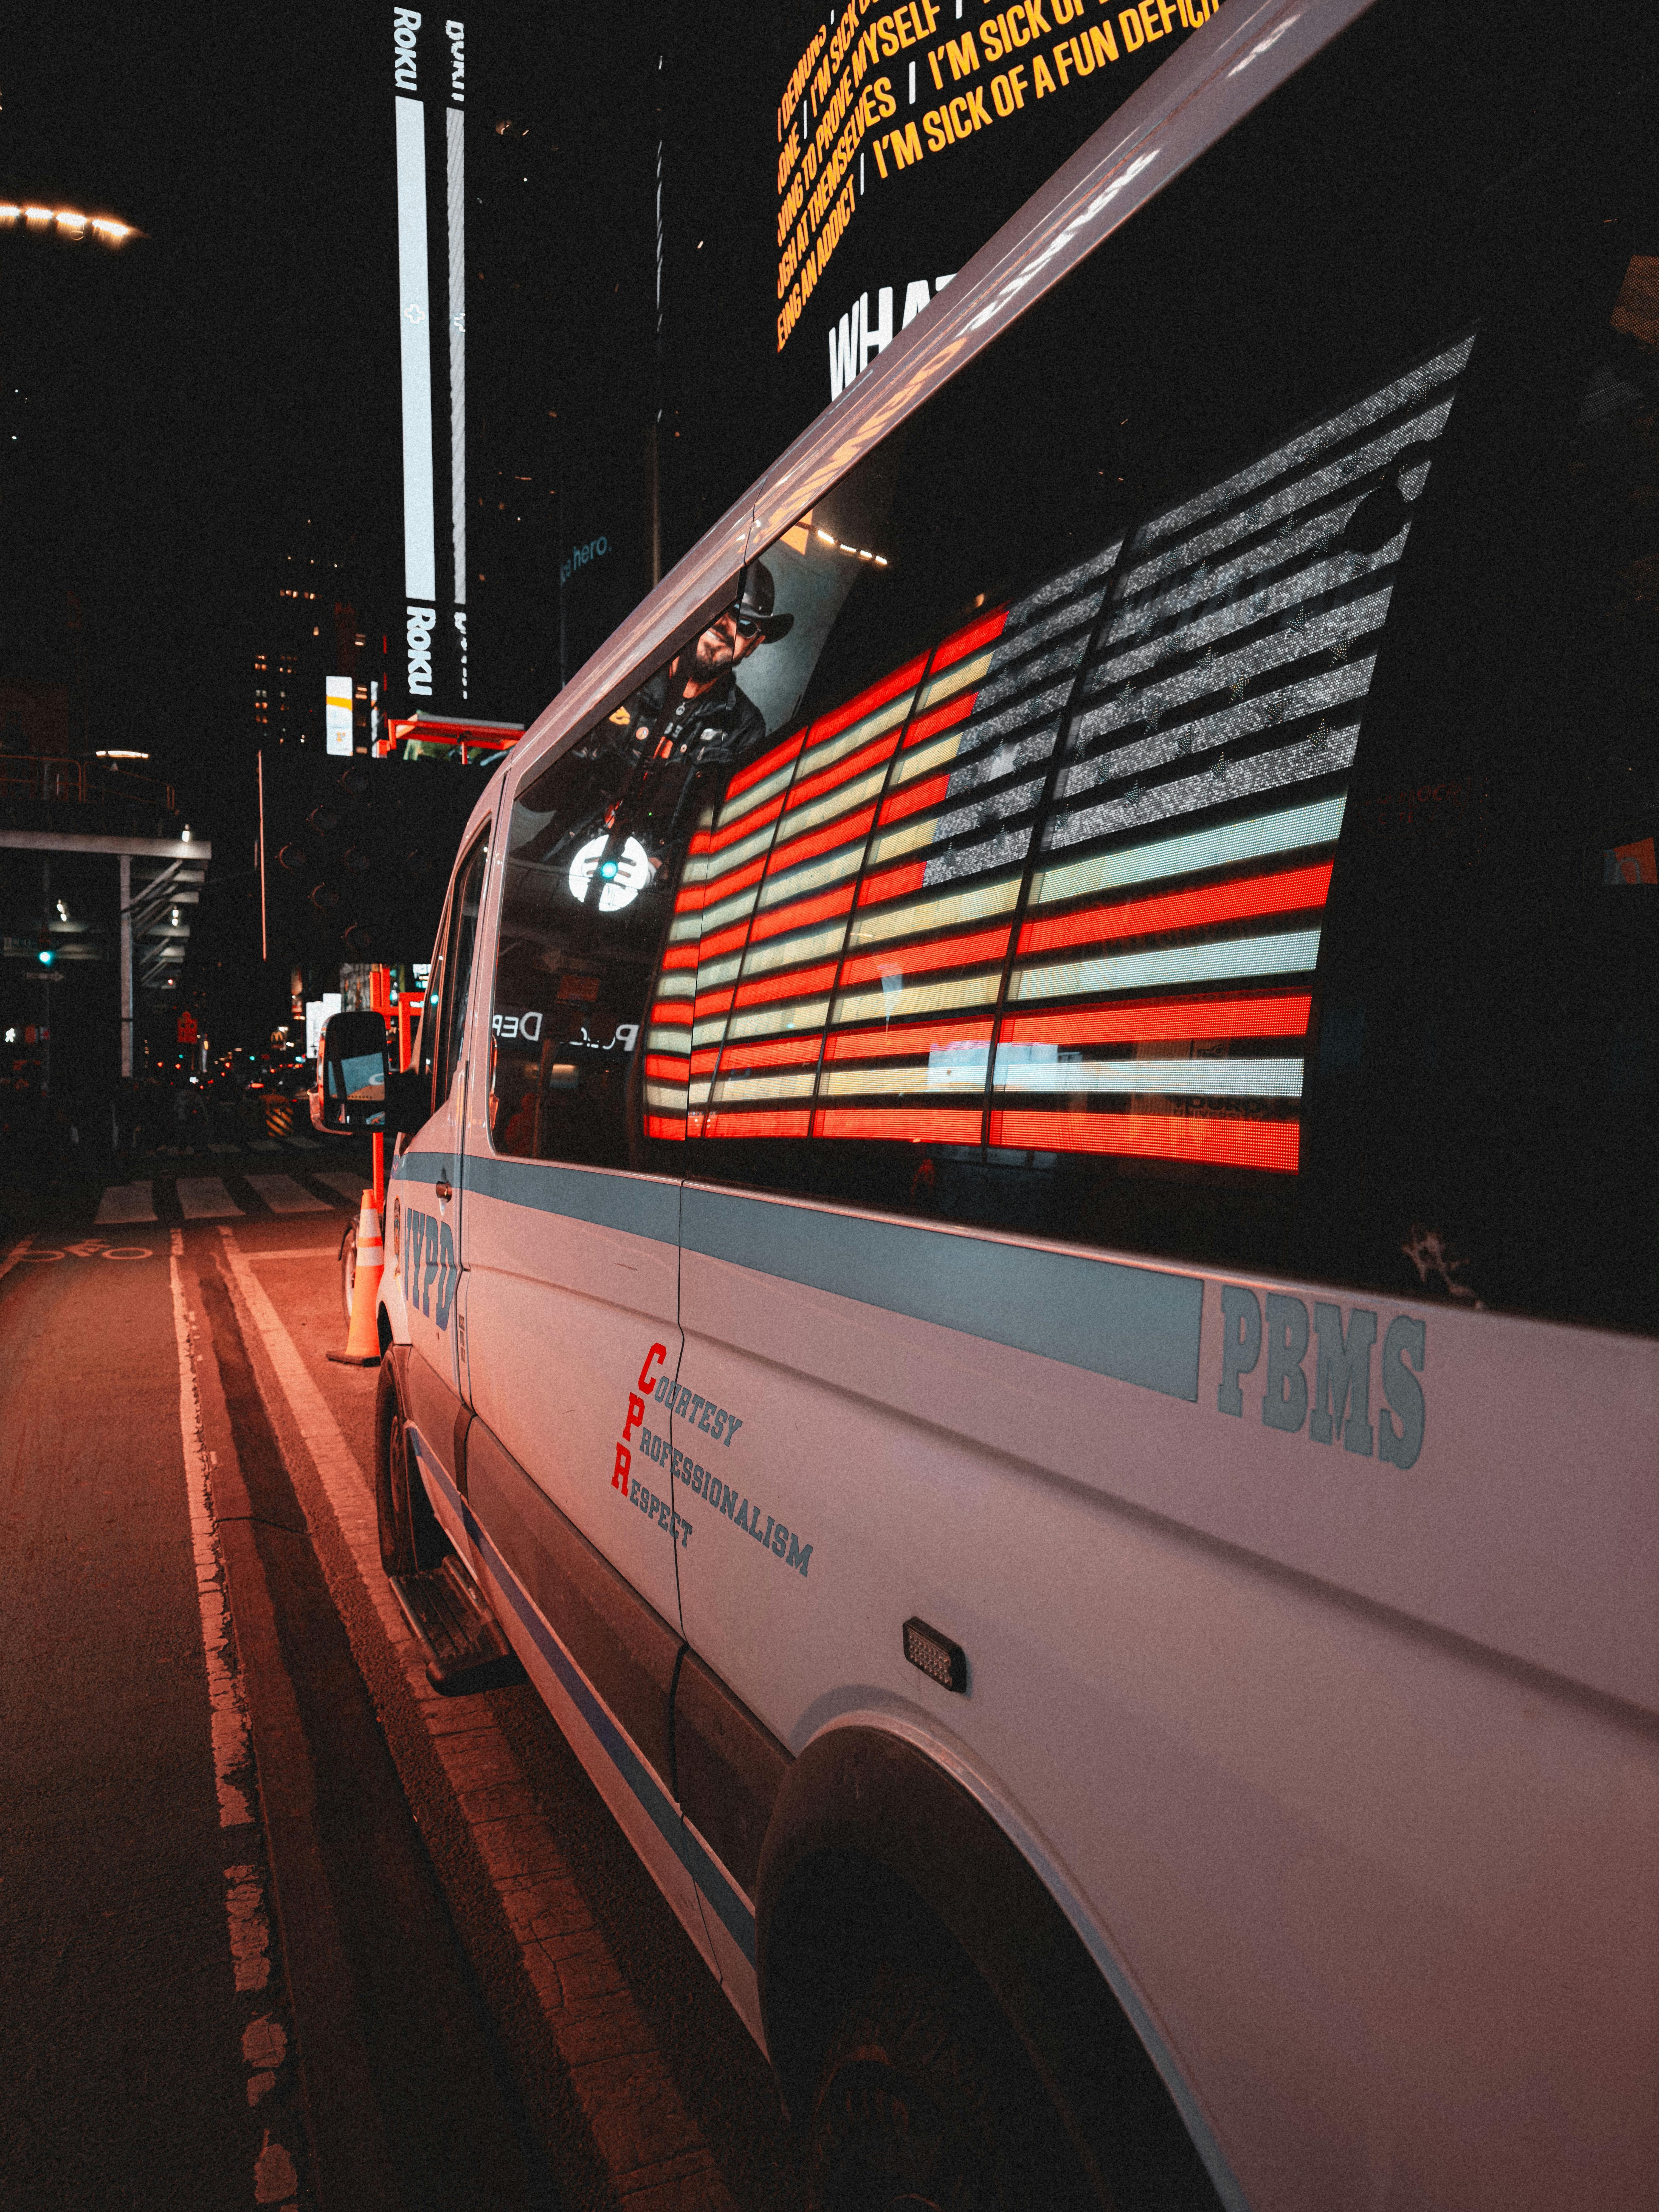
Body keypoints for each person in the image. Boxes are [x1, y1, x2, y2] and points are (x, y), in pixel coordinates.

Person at [610, 559, 793, 772]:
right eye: (716, 605)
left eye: (745, 624)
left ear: (753, 645)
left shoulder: (744, 728)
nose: (722, 623)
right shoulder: (626, 673)